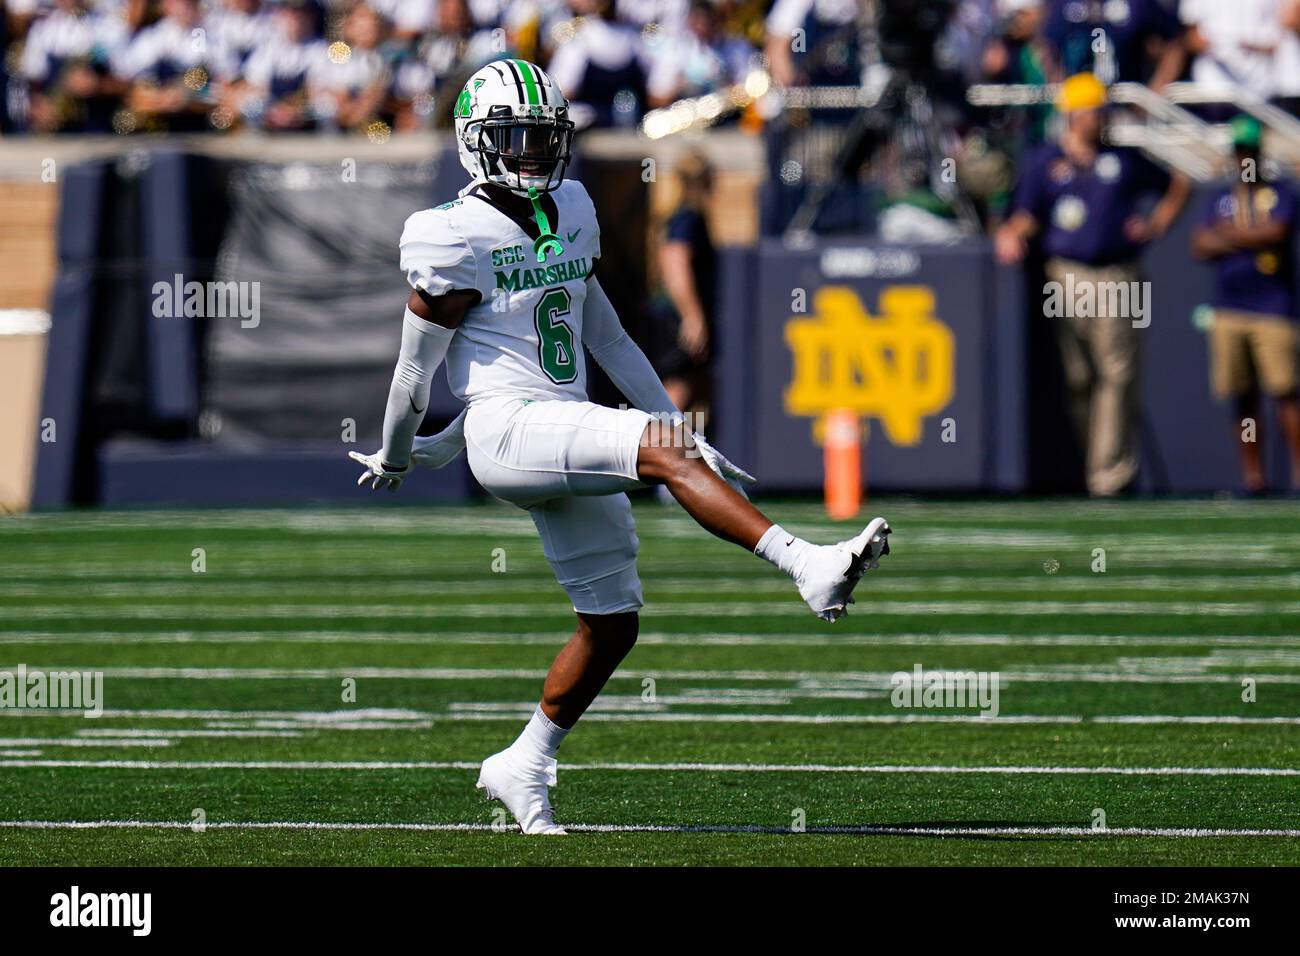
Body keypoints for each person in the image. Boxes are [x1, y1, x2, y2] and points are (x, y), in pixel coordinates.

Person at [347, 59, 892, 835]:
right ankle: (808, 564)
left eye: (544, 138)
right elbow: (414, 367)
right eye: (516, 138)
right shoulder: (450, 234)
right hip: (507, 427)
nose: (534, 153)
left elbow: (602, 328)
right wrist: (400, 453)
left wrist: (675, 420)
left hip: (560, 420)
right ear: (477, 143)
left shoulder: (570, 203)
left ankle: (524, 762)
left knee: (613, 620)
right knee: (661, 451)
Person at [996, 73, 1189, 496]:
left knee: (1117, 372)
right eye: (1089, 111)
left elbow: (1179, 182)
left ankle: (1109, 475)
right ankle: (1091, 462)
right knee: (1078, 375)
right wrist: (1012, 233)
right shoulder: (1045, 162)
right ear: (1072, 114)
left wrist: (1156, 223)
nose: (1097, 119)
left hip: (1117, 272)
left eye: (1100, 110)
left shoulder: (1122, 158)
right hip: (1065, 275)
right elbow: (1026, 213)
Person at [1191, 114, 1300, 493]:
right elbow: (1200, 244)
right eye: (1240, 153)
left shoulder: (1281, 193)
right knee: (1243, 397)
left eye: (1250, 152)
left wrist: (1231, 236)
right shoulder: (1221, 198)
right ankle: (1254, 477)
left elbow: (1277, 231)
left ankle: (1299, 473)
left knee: (1285, 392)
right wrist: (1246, 237)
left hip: (1273, 309)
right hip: (1229, 308)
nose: (1246, 160)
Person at [648, 148, 716, 419]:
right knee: (678, 385)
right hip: (675, 318)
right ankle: (658, 450)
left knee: (695, 382)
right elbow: (674, 259)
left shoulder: (678, 215)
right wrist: (693, 316)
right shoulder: (687, 218)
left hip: (671, 315)